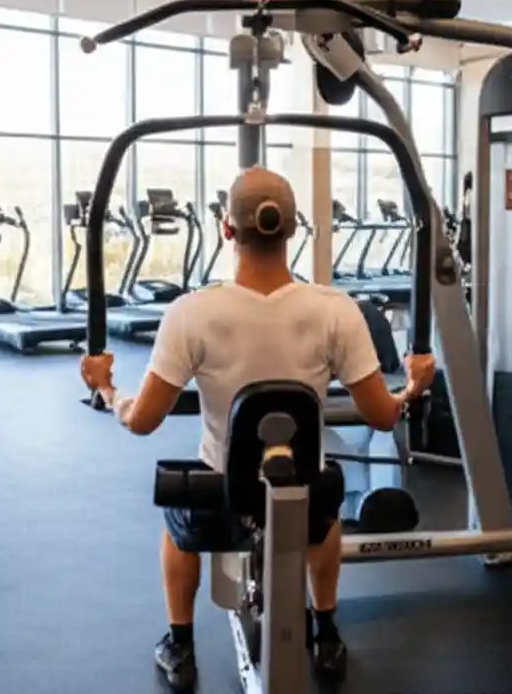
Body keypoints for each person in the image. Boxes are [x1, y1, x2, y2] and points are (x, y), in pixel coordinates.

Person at [81, 167, 436, 692]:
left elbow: (143, 420)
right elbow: (383, 416)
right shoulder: (336, 310)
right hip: (307, 492)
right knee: (327, 506)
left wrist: (107, 389)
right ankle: (327, 630)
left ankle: (179, 642)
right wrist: (413, 386)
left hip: (220, 492)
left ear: (227, 230)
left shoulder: (190, 313)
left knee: (175, 527)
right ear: (293, 230)